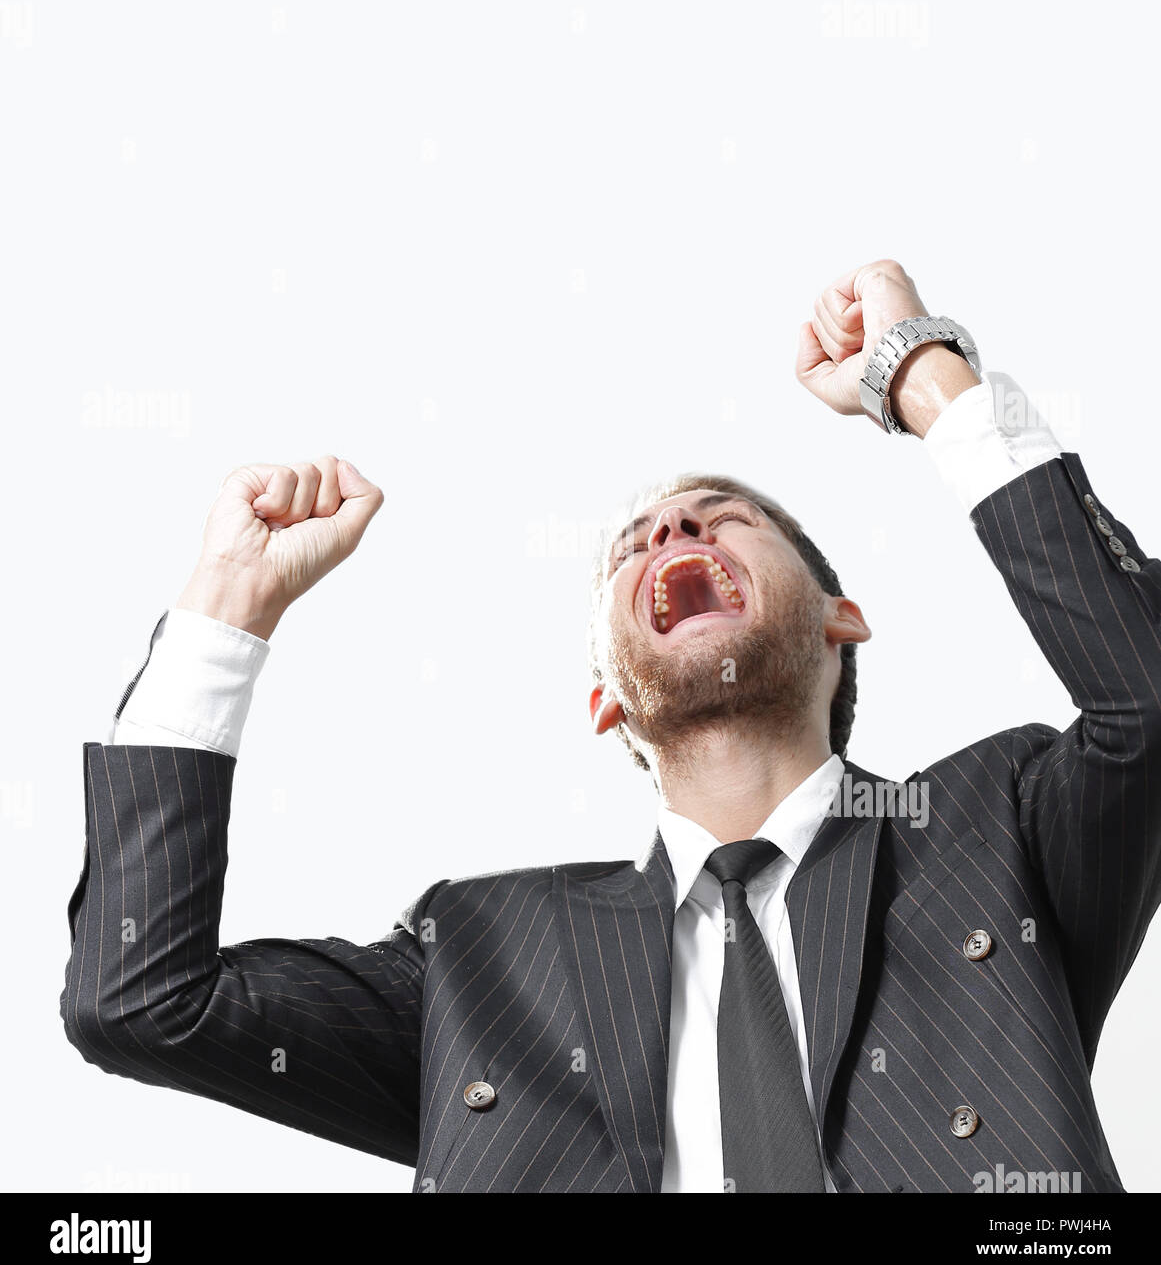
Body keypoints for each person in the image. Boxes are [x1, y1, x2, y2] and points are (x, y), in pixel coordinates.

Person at [61, 259, 1161, 1193]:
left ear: (845, 618)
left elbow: (1145, 697)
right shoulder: (480, 958)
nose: (674, 523)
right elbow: (138, 1001)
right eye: (633, 541)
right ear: (610, 701)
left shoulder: (997, 835)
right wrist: (225, 607)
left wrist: (922, 372)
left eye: (727, 515)